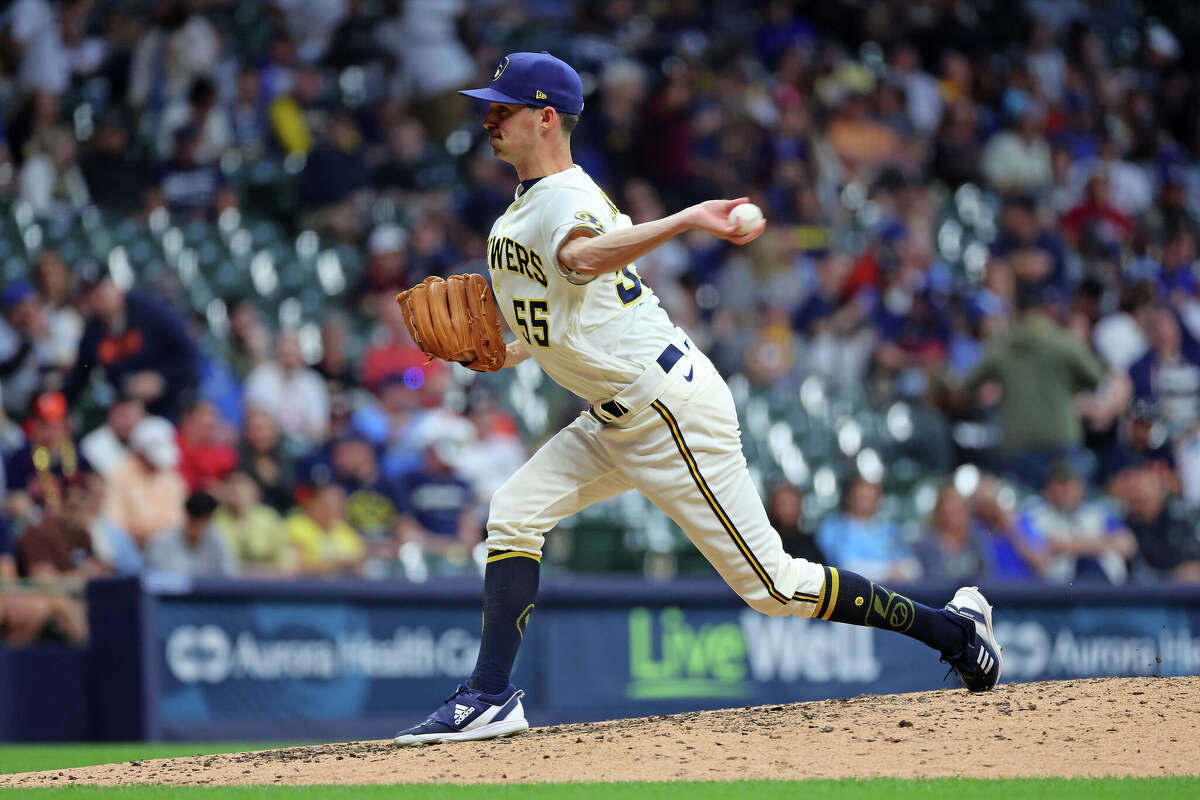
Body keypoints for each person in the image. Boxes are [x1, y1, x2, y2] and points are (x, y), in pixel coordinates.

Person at [392, 52, 1003, 746]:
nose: (488, 116)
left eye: (503, 106)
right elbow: (571, 319)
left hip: (668, 411)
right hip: (617, 411)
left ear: (546, 117)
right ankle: (490, 696)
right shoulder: (531, 205)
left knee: (772, 588)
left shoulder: (568, 200)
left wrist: (684, 219)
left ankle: (953, 630)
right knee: (515, 511)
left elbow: (582, 256)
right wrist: (506, 351)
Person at [145, 491, 239, 577]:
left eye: (205, 521)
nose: (198, 527)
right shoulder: (162, 542)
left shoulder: (218, 540)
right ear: (187, 517)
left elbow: (230, 575)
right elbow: (156, 582)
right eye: (195, 521)